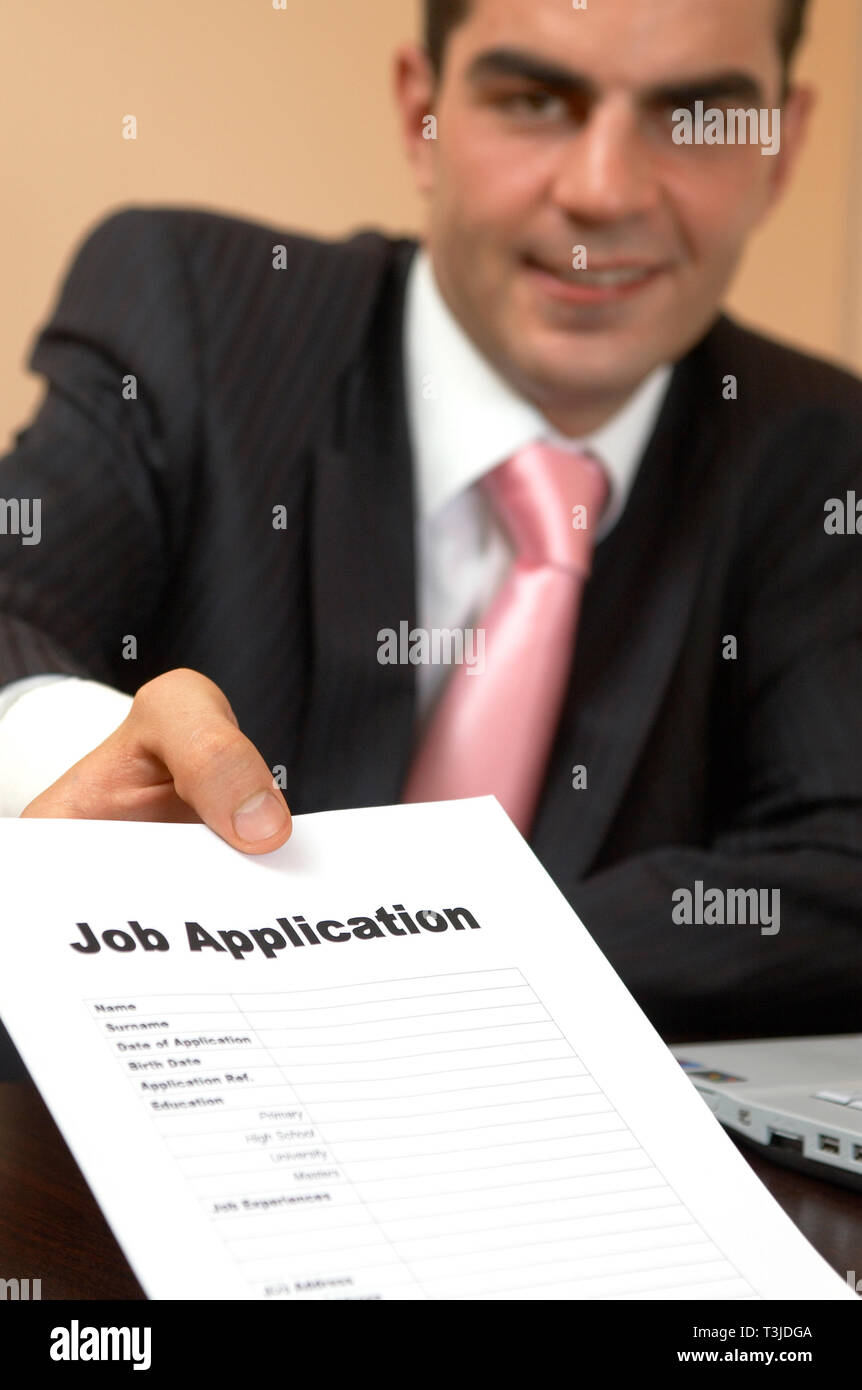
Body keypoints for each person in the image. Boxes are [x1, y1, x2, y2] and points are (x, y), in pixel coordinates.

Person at [1, 0, 860, 1053]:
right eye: (536, 100)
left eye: (695, 118)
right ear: (422, 114)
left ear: (781, 149)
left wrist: (409, 952)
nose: (604, 190)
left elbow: (839, 869)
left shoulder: (823, 450)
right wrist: (89, 759)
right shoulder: (190, 309)